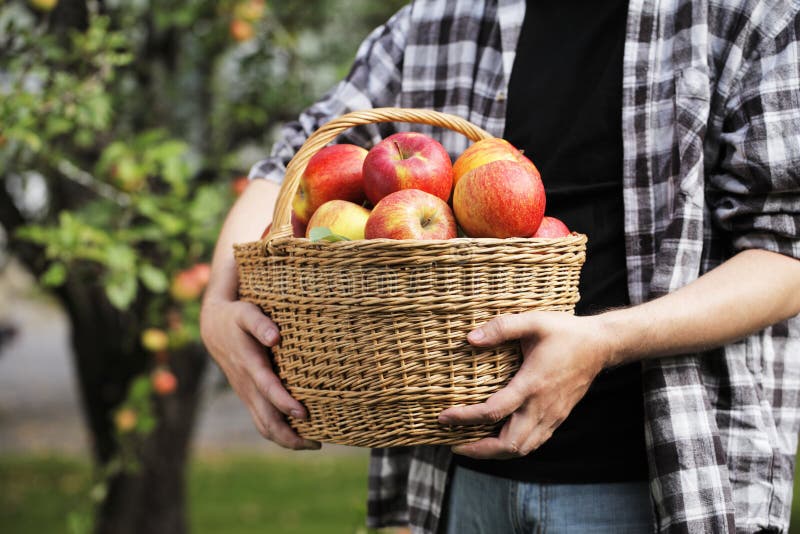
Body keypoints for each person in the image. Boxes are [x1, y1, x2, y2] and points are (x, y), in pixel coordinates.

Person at [200, 0, 800, 532]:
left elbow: (785, 253)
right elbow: (296, 158)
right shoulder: (442, 15)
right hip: (455, 478)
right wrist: (217, 308)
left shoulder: (745, 14)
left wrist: (603, 339)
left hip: (663, 479)